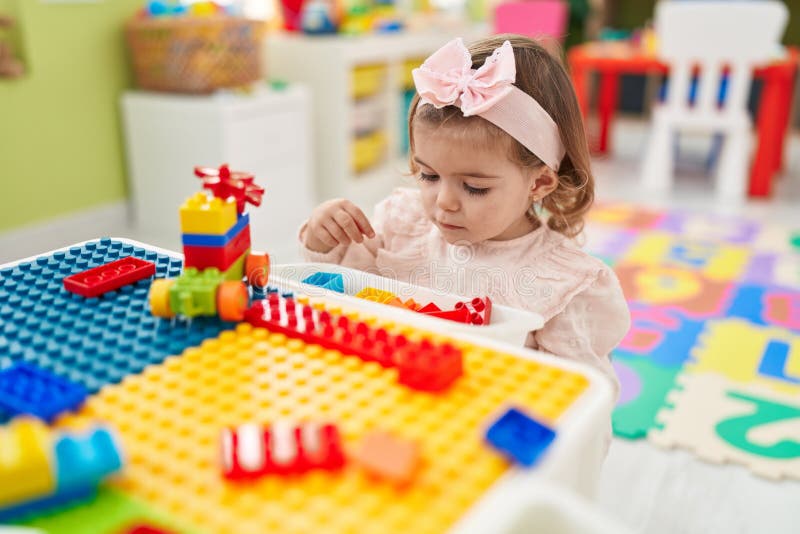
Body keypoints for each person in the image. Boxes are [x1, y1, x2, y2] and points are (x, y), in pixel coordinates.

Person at [298, 35, 630, 393]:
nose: (444, 202)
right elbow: (347, 289)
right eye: (428, 175)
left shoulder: (563, 284)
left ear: (540, 182)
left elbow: (583, 395)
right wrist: (325, 238)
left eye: (474, 186)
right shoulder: (402, 222)